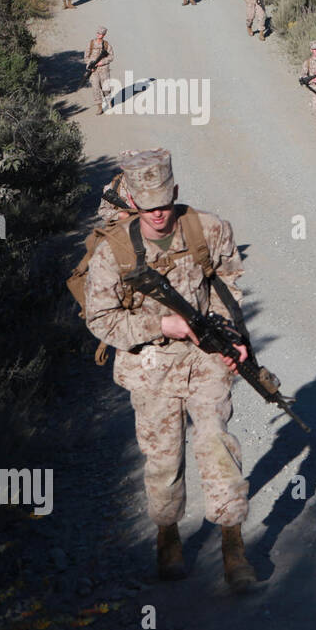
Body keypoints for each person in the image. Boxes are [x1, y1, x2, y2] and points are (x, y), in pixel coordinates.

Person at [83, 149, 258, 592]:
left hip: (203, 361)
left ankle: (233, 546)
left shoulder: (208, 229)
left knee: (216, 443)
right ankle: (168, 534)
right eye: (148, 205)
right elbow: (99, 318)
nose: (158, 213)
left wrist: (231, 336)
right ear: (132, 201)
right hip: (150, 366)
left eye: (164, 202)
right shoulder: (114, 251)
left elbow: (227, 285)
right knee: (163, 459)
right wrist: (160, 324)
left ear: (175, 192)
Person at [84, 25, 114, 114]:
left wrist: (102, 62)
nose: (98, 35)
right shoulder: (91, 44)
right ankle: (99, 107)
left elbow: (111, 57)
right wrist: (90, 65)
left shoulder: (106, 45)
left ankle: (108, 101)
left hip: (104, 69)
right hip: (94, 71)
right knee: (95, 88)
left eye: (100, 34)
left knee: (106, 87)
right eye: (97, 33)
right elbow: (86, 57)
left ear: (104, 35)